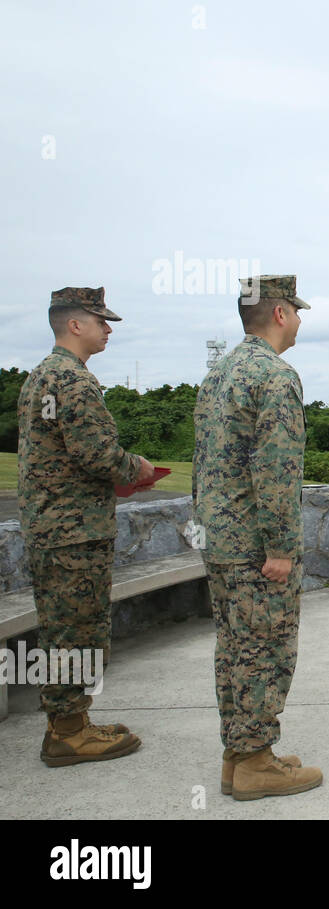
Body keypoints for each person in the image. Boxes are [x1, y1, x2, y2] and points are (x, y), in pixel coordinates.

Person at [193, 274, 321, 800]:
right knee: (264, 650)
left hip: (220, 539)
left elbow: (206, 463)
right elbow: (275, 472)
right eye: (296, 309)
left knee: (234, 648)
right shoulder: (275, 376)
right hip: (254, 545)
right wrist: (280, 549)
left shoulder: (219, 374)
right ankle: (255, 763)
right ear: (280, 314)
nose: (299, 320)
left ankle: (239, 754)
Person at [18, 287, 154, 767]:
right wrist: (136, 466)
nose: (108, 329)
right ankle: (69, 734)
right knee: (77, 631)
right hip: (74, 532)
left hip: (54, 528)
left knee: (62, 629)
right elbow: (96, 454)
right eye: (101, 321)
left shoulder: (41, 376)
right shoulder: (71, 381)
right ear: (75, 325)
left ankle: (68, 721)